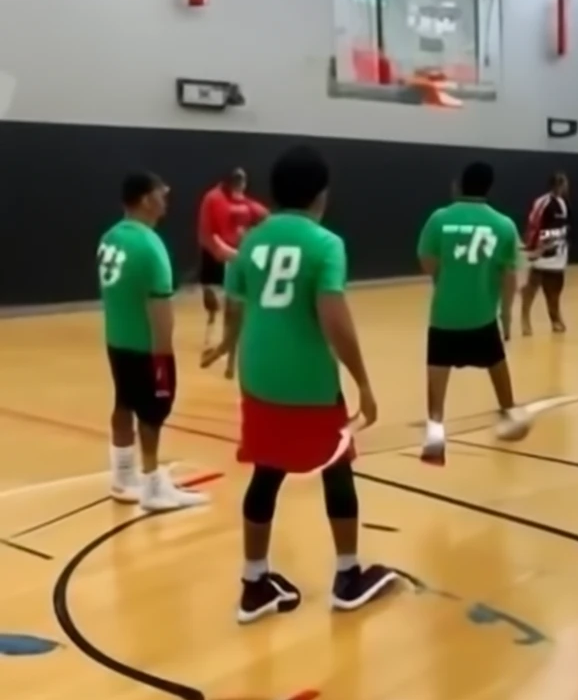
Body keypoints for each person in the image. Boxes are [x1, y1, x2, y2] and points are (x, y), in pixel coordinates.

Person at [202, 145, 396, 623]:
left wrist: (227, 346)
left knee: (266, 471)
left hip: (258, 374)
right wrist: (364, 381)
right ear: (322, 194)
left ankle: (254, 583)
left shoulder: (251, 242)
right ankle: (349, 576)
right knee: (337, 468)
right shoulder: (325, 244)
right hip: (307, 380)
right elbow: (334, 317)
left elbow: (237, 305)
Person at [98, 172, 208, 511]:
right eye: (162, 192)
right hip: (145, 347)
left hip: (116, 340)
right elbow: (160, 310)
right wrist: (163, 358)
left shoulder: (110, 237)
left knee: (123, 404)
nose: (166, 198)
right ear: (146, 199)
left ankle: (123, 475)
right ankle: (152, 488)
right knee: (151, 413)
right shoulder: (150, 245)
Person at [417, 161, 531, 465]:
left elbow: (426, 259)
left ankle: (435, 438)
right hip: (482, 316)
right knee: (497, 365)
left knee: (437, 375)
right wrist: (506, 315)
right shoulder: (504, 225)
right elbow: (509, 276)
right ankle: (509, 413)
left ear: (459, 184)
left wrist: (446, 279)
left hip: (444, 316)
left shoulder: (439, 219)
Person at [197, 168, 268, 375]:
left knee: (236, 310)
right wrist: (219, 248)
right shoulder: (213, 198)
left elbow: (263, 215)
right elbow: (207, 233)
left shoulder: (246, 204)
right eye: (237, 181)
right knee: (216, 304)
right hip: (219, 255)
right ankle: (213, 344)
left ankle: (228, 359)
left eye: (243, 181)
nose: (241, 185)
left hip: (238, 259)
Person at [521, 172, 570, 336]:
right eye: (563, 183)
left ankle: (555, 318)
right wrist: (536, 249)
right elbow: (534, 225)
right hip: (542, 250)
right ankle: (525, 319)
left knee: (555, 289)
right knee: (532, 286)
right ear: (557, 185)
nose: (566, 186)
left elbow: (561, 226)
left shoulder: (562, 203)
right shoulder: (542, 202)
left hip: (558, 251)